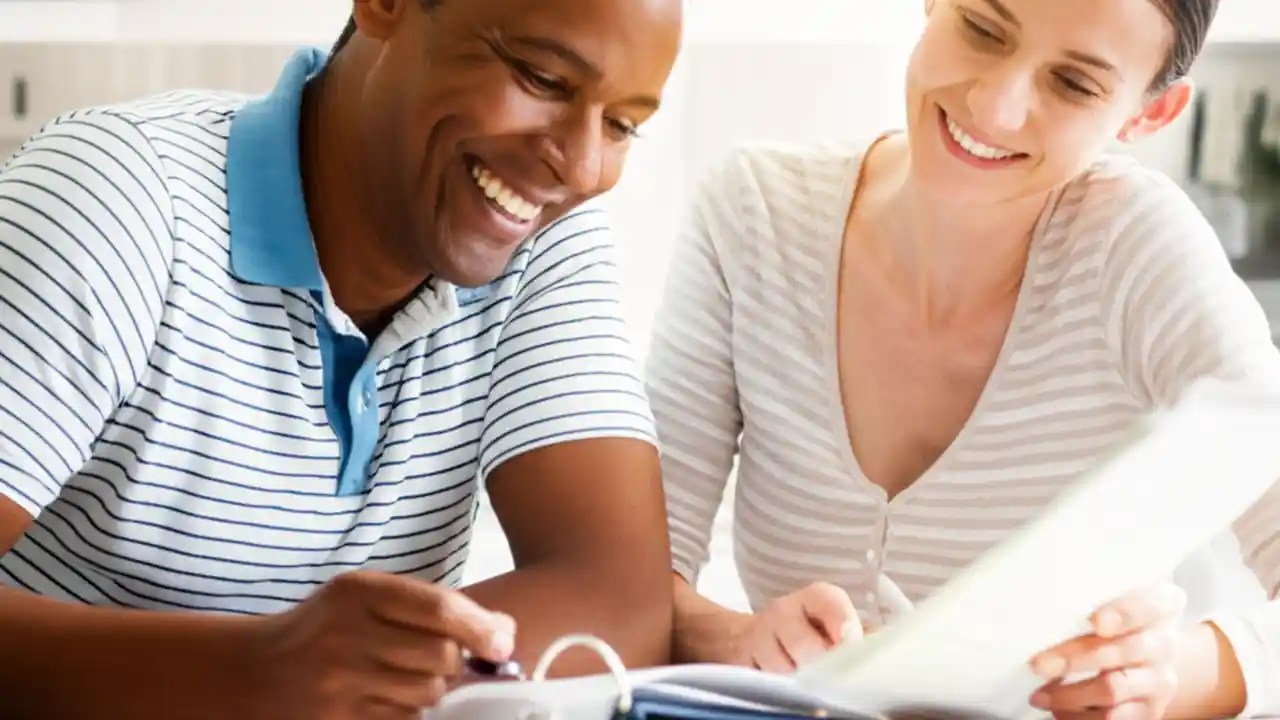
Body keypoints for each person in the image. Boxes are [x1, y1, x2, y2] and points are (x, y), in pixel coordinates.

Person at [0, 0, 682, 717]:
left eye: (621, 125)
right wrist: (248, 675)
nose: (578, 166)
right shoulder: (117, 200)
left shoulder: (538, 246)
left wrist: (325, 679)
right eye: (542, 78)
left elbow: (618, 603)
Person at [648, 0, 1280, 718]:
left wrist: (1180, 672)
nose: (996, 107)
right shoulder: (753, 216)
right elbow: (627, 577)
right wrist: (739, 642)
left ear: (1149, 115)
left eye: (1073, 84)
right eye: (983, 29)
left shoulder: (1139, 256)